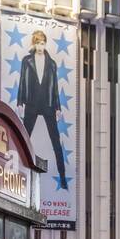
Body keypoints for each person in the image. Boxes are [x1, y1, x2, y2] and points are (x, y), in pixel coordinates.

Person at [16, 30, 69, 192]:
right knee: (23, 138)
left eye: (43, 43)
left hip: (48, 104)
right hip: (31, 103)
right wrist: (20, 102)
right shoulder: (27, 61)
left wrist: (58, 107)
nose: (40, 46)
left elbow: (54, 87)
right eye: (38, 43)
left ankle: (62, 176)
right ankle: (16, 172)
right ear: (34, 43)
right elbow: (22, 82)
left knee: (55, 141)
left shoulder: (51, 63)